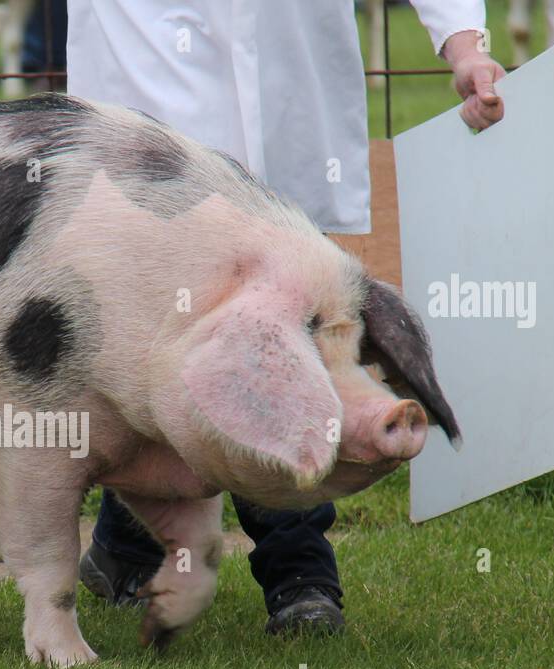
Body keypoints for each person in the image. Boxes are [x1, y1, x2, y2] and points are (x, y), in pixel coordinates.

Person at [67, 0, 505, 635]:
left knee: (284, 335)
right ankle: (298, 569)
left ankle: (127, 546)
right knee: (224, 353)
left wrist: (464, 42)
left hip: (291, 96)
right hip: (146, 95)